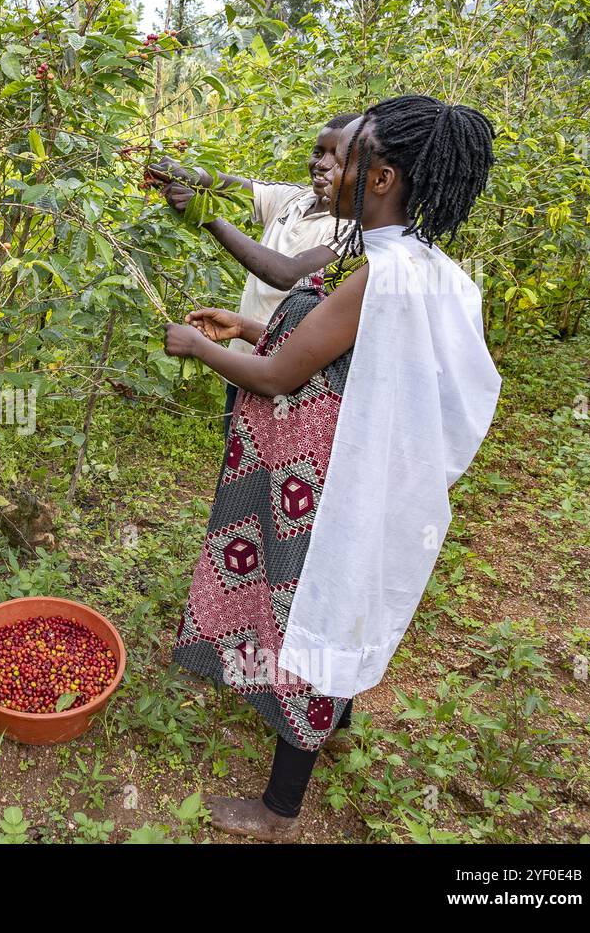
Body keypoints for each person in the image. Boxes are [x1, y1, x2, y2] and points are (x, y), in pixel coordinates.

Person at [161, 95, 501, 841]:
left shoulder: (378, 274)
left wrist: (198, 347)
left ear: (380, 179)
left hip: (323, 491)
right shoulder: (421, 267)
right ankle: (332, 724)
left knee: (313, 612)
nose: (324, 172)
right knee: (338, 610)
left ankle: (277, 809)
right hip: (355, 478)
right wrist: (250, 326)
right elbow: (349, 356)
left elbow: (281, 377)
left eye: (342, 159)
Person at [148, 114, 359, 435]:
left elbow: (286, 273)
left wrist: (206, 217)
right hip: (244, 364)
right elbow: (225, 183)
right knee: (235, 458)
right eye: (318, 151)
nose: (323, 164)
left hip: (295, 379)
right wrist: (186, 173)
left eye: (338, 156)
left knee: (271, 470)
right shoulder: (293, 198)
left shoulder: (352, 228)